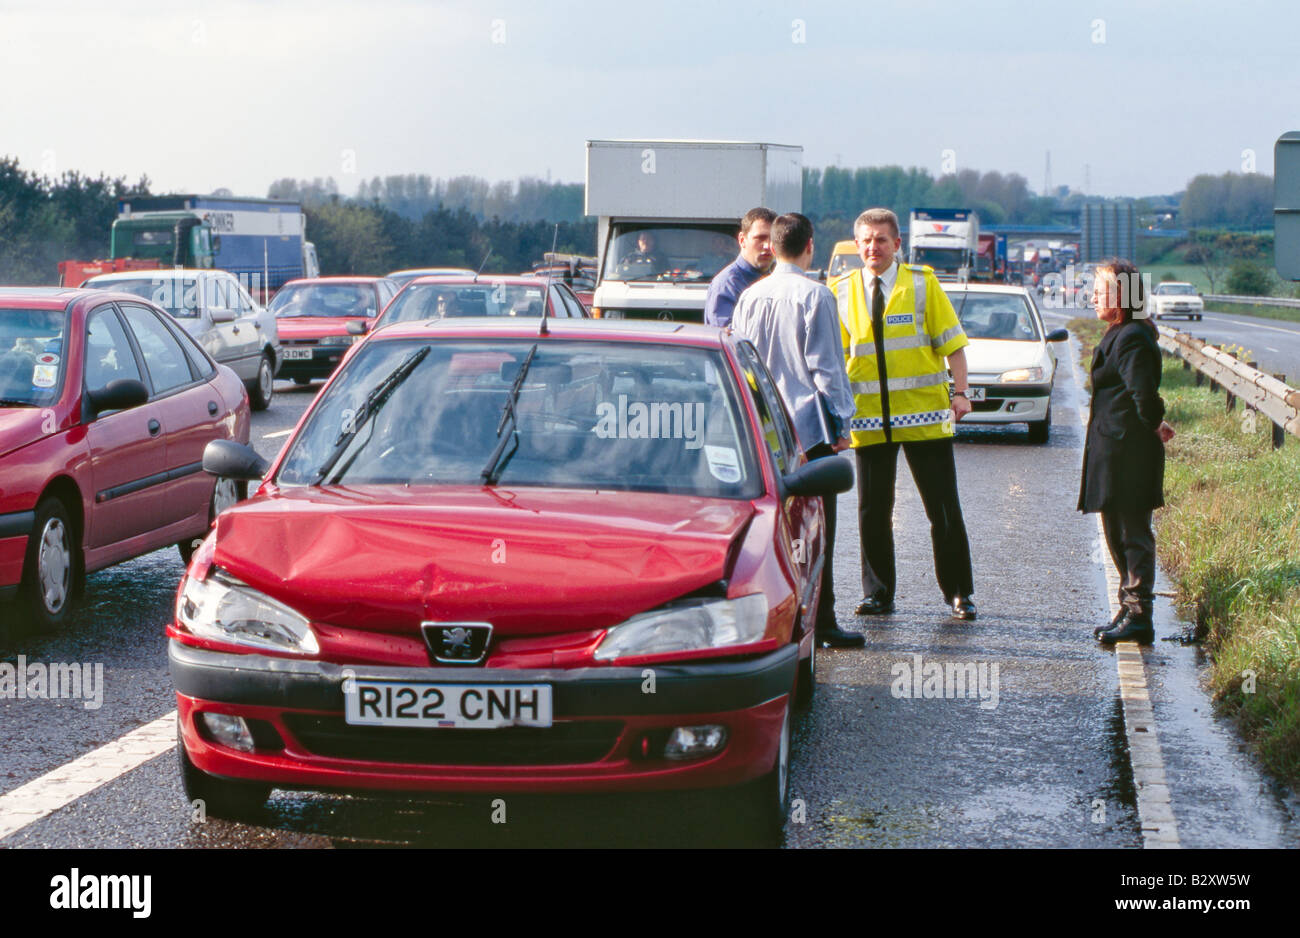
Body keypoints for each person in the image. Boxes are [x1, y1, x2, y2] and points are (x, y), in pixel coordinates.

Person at [834, 208, 977, 621]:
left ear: (897, 244)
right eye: (865, 240)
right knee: (872, 512)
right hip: (868, 421)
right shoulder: (839, 290)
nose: (872, 247)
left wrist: (962, 393)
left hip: (923, 419)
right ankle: (878, 594)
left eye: (881, 239)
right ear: (856, 245)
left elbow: (953, 344)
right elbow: (834, 357)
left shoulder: (922, 284)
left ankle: (959, 593)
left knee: (943, 511)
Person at [731, 213, 860, 647]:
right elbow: (826, 367)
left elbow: (743, 361)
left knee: (770, 526)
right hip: (808, 429)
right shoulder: (816, 296)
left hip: (763, 427)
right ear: (809, 247)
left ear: (774, 247)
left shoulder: (750, 296)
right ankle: (822, 620)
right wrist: (843, 421)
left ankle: (771, 615)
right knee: (817, 528)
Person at [1079, 259, 1175, 644]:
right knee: (1117, 532)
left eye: (1100, 291)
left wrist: (1155, 423)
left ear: (1121, 297)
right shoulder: (1120, 332)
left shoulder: (1133, 335)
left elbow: (1144, 394)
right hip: (1114, 449)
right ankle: (1127, 608)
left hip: (1129, 452)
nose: (1092, 297)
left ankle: (1139, 616)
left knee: (1133, 533)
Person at [704, 207, 775, 328]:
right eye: (760, 238)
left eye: (772, 239)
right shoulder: (727, 285)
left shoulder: (774, 280)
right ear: (742, 240)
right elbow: (726, 338)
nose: (767, 246)